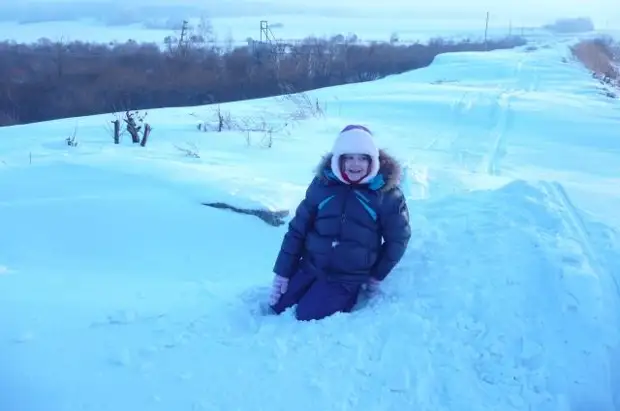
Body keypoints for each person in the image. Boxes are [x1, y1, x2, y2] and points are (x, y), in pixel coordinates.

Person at [268, 124, 411, 321]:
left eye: (362, 158)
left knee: (307, 316)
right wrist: (282, 273)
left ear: (373, 161)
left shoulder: (385, 194)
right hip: (311, 265)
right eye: (349, 157)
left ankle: (345, 296)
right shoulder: (323, 185)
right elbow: (297, 230)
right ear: (338, 160)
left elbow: (398, 238)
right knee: (277, 307)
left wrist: (377, 275)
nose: (355, 164)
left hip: (347, 276)